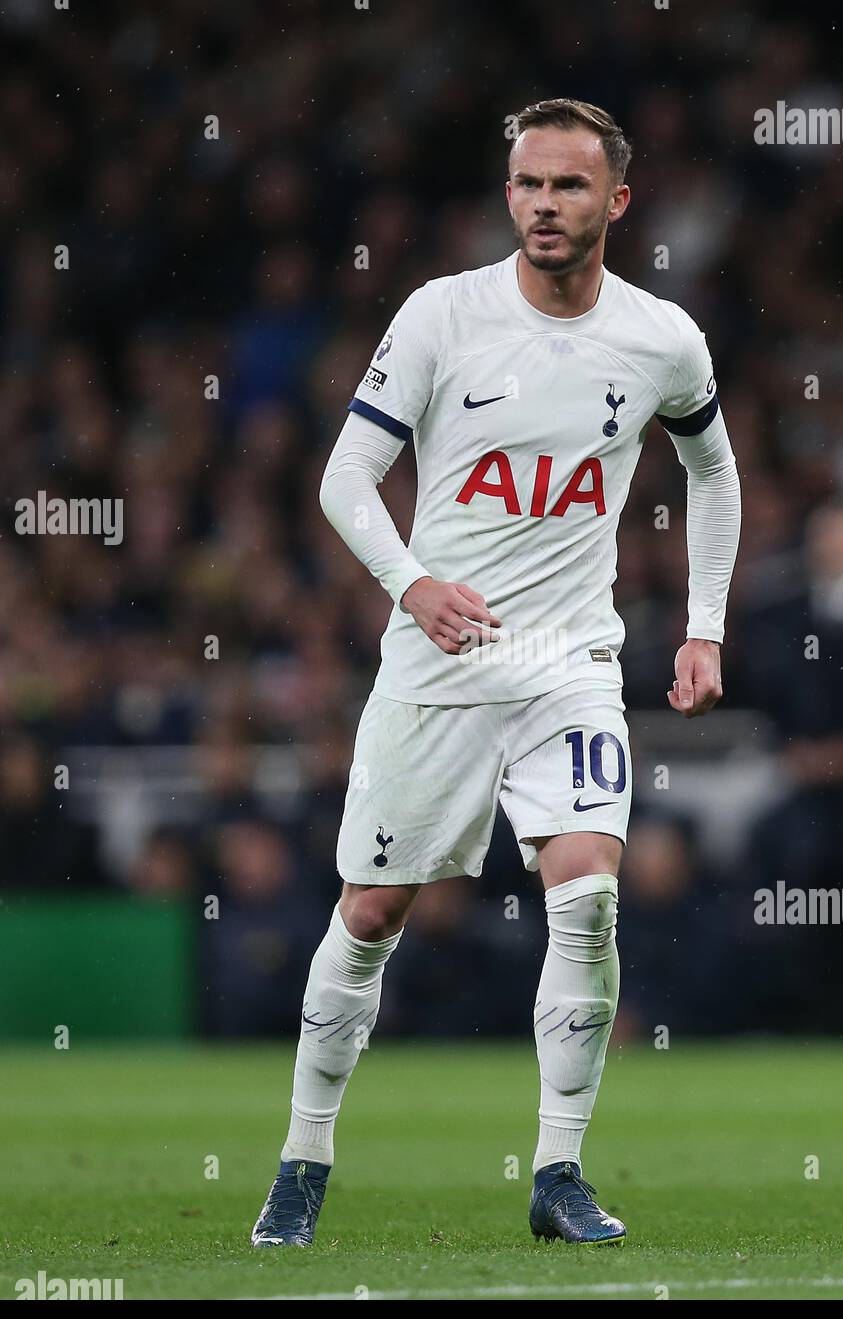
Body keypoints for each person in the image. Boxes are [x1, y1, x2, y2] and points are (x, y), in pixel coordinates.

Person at [251, 98, 741, 1249]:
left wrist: (702, 624)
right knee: (370, 912)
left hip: (569, 661)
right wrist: (411, 583)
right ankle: (302, 1156)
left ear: (615, 202)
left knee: (586, 895)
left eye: (568, 187)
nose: (542, 205)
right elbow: (344, 479)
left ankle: (558, 1170)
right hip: (437, 664)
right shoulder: (442, 317)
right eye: (526, 184)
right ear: (506, 193)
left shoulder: (660, 338)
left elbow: (712, 471)